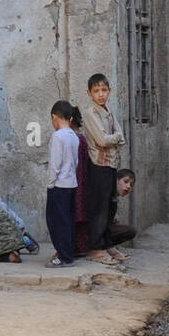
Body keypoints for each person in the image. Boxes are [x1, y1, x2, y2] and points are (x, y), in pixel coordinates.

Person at [83, 72, 126, 266]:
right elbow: (102, 140)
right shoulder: (91, 113)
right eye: (96, 91)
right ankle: (95, 248)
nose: (101, 94)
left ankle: (107, 244)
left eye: (104, 90)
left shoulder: (109, 111)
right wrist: (114, 138)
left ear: (109, 91)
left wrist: (114, 138)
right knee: (98, 209)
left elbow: (121, 137)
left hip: (111, 164)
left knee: (110, 207)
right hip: (98, 166)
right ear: (89, 93)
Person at [45, 100, 79, 266]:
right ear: (71, 118)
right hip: (72, 184)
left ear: (54, 117)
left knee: (56, 222)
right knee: (68, 221)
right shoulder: (74, 136)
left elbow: (54, 164)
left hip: (59, 186)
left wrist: (50, 185)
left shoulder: (57, 136)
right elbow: (76, 162)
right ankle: (67, 252)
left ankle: (64, 257)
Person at [69, 105, 91, 258]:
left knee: (72, 214)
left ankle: (74, 247)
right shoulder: (82, 138)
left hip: (73, 181)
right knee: (80, 213)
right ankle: (81, 247)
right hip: (82, 180)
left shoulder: (72, 138)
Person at [106, 168, 137, 257]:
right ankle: (105, 247)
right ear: (116, 180)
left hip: (103, 232)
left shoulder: (114, 199)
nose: (128, 187)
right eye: (125, 181)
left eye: (131, 185)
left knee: (130, 231)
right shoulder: (106, 195)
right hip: (92, 233)